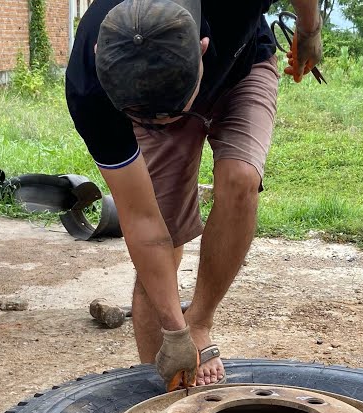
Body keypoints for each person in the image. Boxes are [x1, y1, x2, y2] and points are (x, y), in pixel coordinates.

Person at [65, 0, 322, 391]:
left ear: (203, 48)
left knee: (240, 178)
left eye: (168, 115)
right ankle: (164, 386)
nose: (158, 125)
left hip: (243, 66)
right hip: (152, 85)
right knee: (163, 233)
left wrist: (309, 30)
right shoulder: (89, 87)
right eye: (143, 120)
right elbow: (142, 221)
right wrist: (173, 332)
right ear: (102, 58)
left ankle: (201, 319)